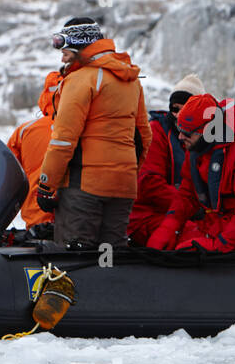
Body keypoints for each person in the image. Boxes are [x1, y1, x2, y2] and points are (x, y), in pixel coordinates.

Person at [36, 18, 152, 247]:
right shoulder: (131, 80)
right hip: (124, 186)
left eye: (66, 51)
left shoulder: (81, 79)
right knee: (112, 258)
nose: (62, 58)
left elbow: (63, 141)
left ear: (80, 45)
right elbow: (144, 135)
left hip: (84, 188)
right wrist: (128, 172)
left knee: (74, 261)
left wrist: (46, 185)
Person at [148, 94, 235, 251]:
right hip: (220, 224)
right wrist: (168, 228)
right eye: (179, 130)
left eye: (186, 133)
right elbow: (188, 194)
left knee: (185, 254)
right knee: (173, 248)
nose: (180, 137)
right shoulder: (198, 148)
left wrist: (217, 246)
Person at [128, 74, 206, 245]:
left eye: (185, 109)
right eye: (175, 109)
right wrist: (190, 207)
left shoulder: (200, 139)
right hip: (148, 215)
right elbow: (149, 184)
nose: (178, 115)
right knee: (196, 239)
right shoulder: (157, 132)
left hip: (179, 213)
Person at [7, 69, 62, 229]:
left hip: (37, 218)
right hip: (76, 218)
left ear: (45, 95)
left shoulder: (25, 131)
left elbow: (8, 176)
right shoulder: (86, 129)